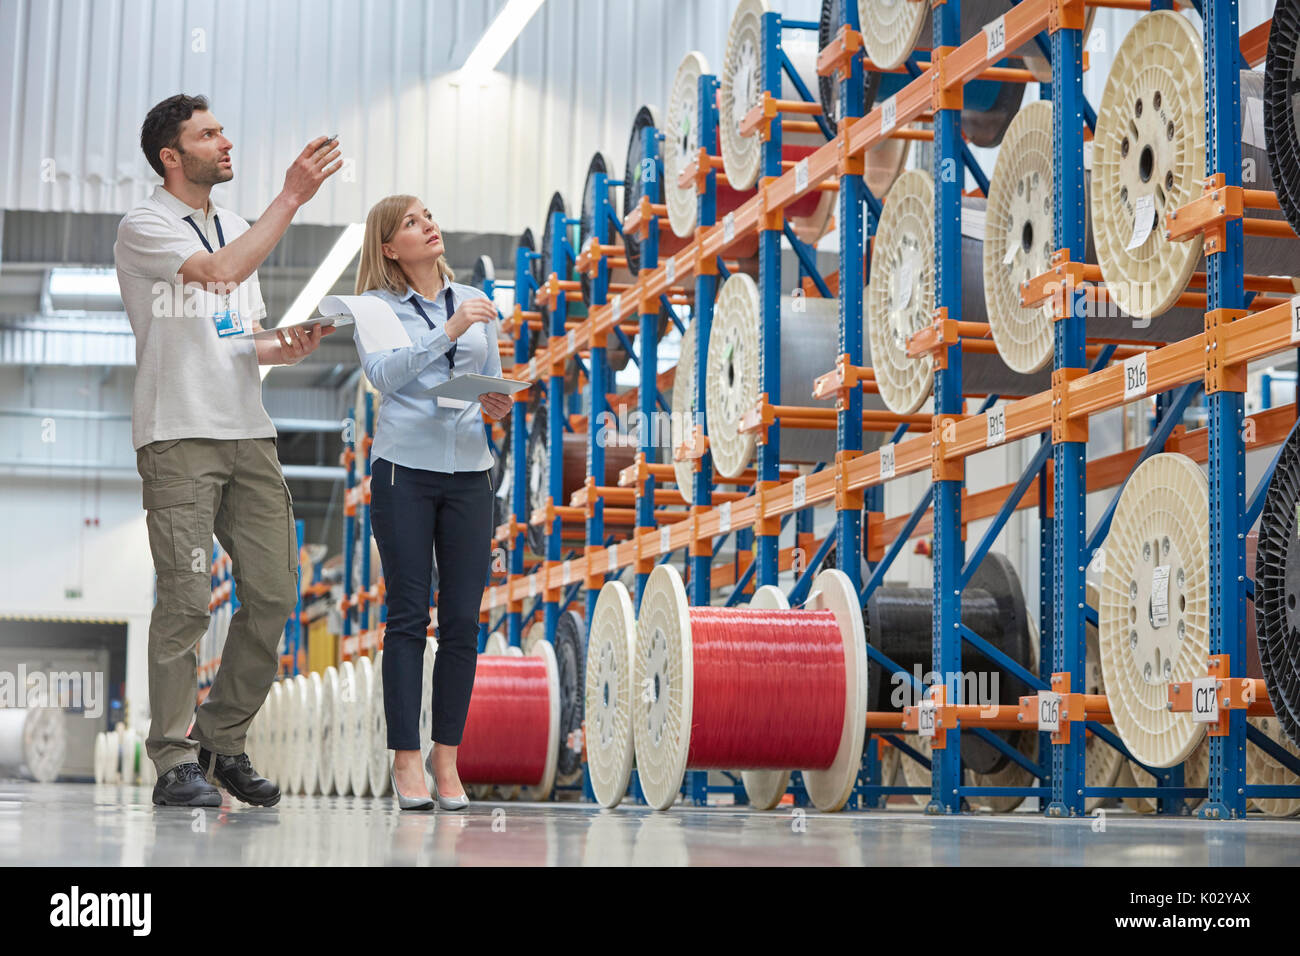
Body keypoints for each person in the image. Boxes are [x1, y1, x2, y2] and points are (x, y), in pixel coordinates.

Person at [114, 94, 341, 807]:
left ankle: (221, 741)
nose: (225, 141)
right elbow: (215, 275)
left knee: (274, 593)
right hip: (178, 433)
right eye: (208, 135)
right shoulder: (145, 225)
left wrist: (285, 345)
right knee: (185, 601)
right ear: (171, 157)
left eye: (222, 130)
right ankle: (174, 759)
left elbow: (235, 333)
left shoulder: (237, 224)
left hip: (248, 431)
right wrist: (293, 196)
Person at [353, 195, 517, 810]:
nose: (430, 226)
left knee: (463, 624)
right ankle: (405, 760)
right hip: (404, 473)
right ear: (390, 247)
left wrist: (494, 404)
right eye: (413, 223)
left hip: (470, 472)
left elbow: (487, 378)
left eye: (430, 217)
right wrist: (449, 330)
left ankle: (446, 758)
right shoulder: (376, 309)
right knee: (407, 616)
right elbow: (385, 375)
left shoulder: (475, 301)